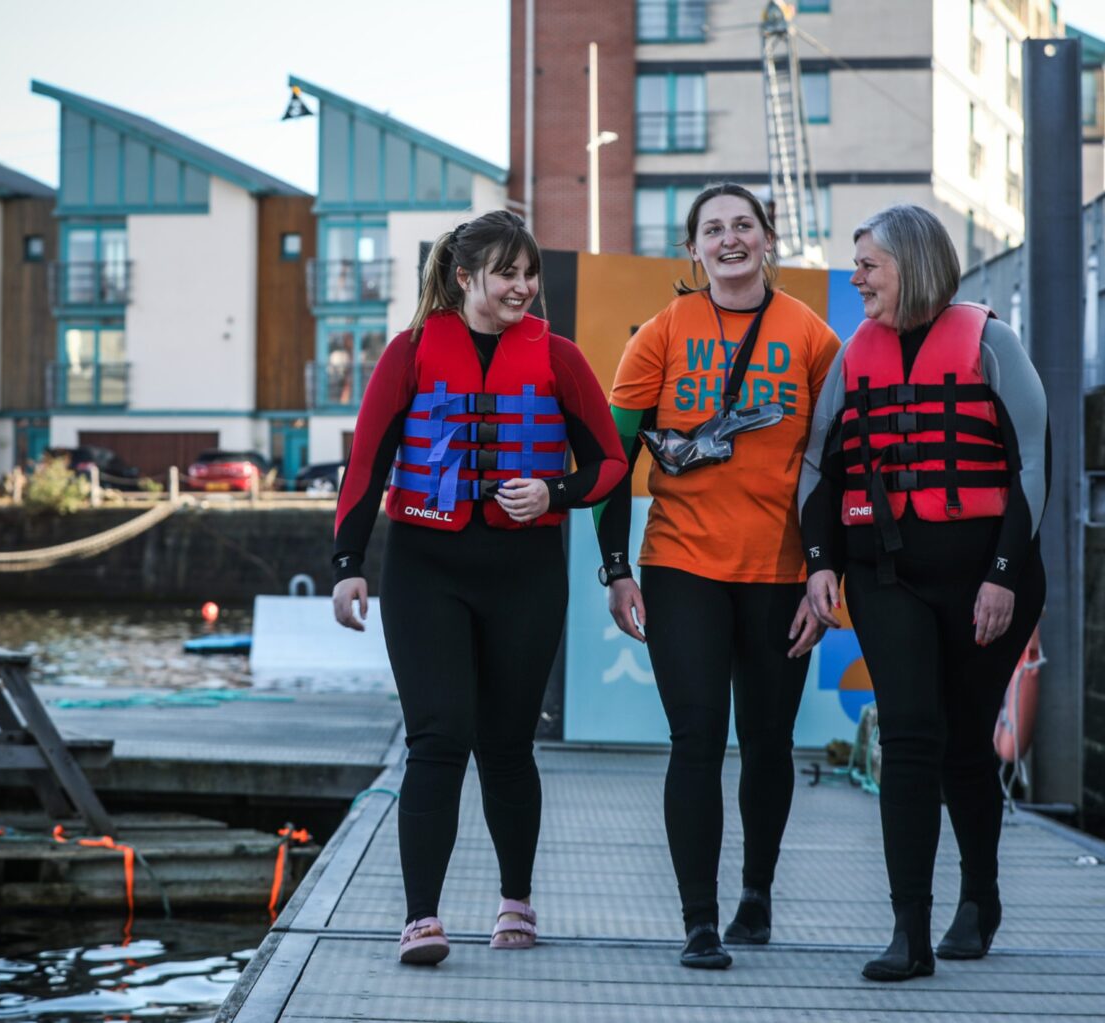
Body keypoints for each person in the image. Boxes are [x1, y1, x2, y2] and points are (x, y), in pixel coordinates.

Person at [331, 209, 627, 966]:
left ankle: (515, 901)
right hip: (426, 569)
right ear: (464, 277)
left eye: (529, 273)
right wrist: (347, 564)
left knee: (505, 744)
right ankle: (421, 918)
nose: (523, 287)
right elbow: (365, 465)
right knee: (437, 739)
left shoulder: (559, 358)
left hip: (524, 574)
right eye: (506, 273)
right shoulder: (409, 353)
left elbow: (610, 464)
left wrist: (554, 493)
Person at [798, 203, 1049, 982]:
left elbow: (1033, 464)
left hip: (987, 578)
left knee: (966, 743)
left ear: (914, 262)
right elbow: (818, 468)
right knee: (909, 734)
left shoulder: (991, 342)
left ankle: (979, 898)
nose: (857, 277)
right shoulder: (852, 357)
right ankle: (909, 930)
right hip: (887, 577)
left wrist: (1003, 575)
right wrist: (819, 561)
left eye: (869, 262)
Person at [594, 183, 841, 970]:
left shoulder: (813, 337)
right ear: (693, 249)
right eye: (713, 229)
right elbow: (613, 461)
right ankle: (698, 919)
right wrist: (616, 569)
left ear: (768, 239)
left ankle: (756, 896)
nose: (729, 239)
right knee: (695, 739)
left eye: (743, 226)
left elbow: (835, 469)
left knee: (768, 744)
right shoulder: (660, 333)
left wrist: (822, 571)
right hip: (681, 566)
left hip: (778, 574)